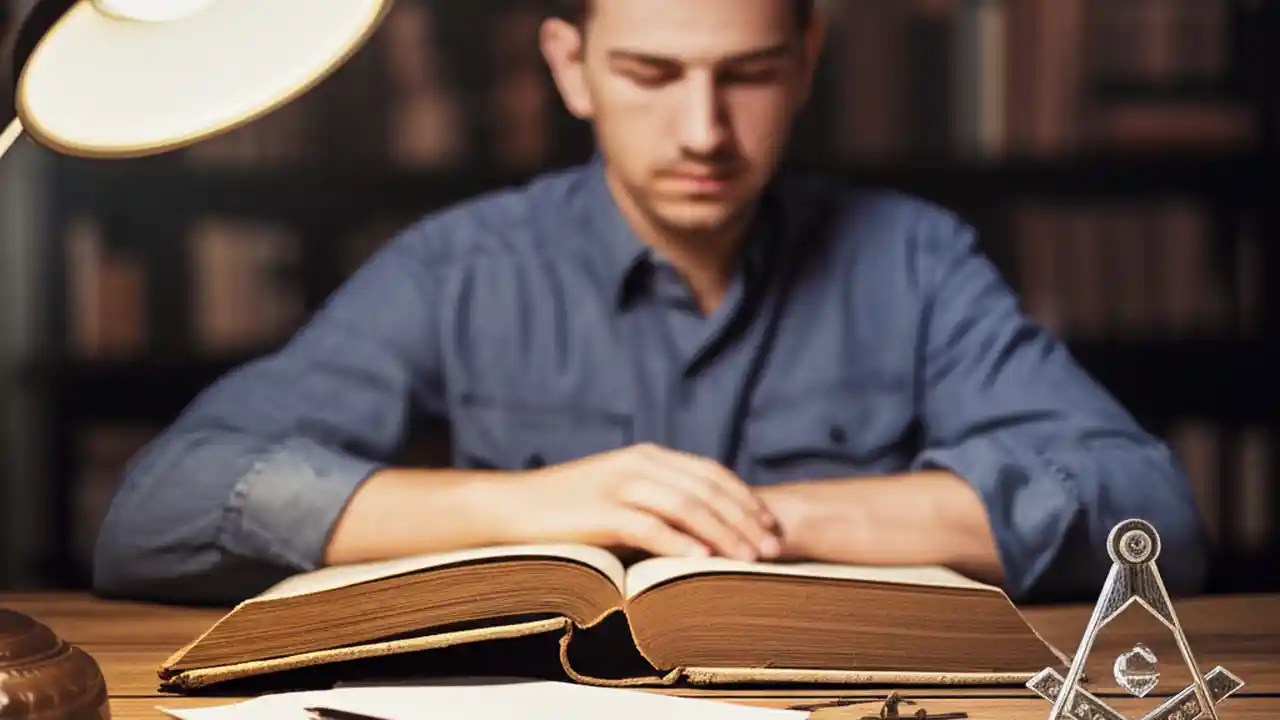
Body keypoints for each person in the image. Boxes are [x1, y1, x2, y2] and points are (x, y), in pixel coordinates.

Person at [92, 0, 1207, 605]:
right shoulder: (460, 264)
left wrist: (760, 524)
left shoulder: (911, 259)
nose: (703, 134)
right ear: (570, 69)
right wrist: (535, 509)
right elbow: (156, 517)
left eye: (748, 74)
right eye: (650, 76)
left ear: (807, 59)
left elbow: (1152, 512)